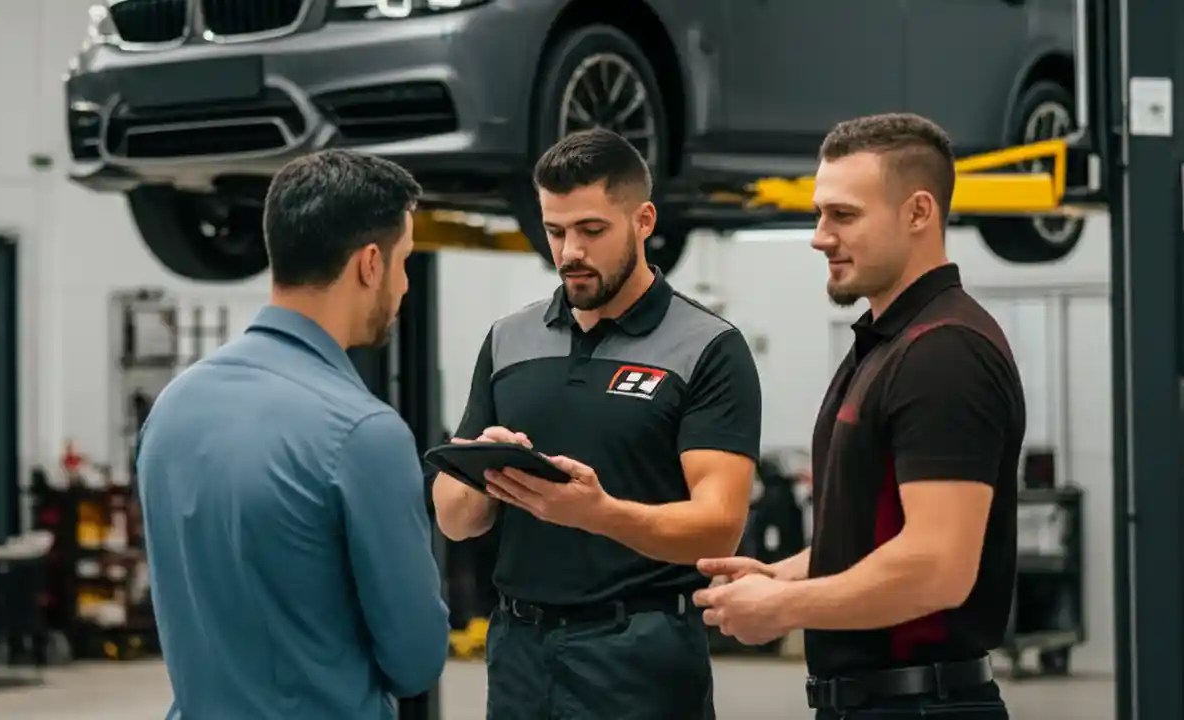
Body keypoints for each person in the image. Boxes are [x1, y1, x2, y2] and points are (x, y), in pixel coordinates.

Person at [693, 113, 1026, 719]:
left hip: (921, 706)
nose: (820, 237)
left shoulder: (945, 353)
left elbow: (938, 567)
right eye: (820, 214)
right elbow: (875, 537)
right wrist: (785, 575)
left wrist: (783, 609)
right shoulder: (885, 345)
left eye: (843, 215)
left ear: (918, 212)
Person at [431, 127, 763, 719]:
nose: (569, 253)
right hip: (519, 656)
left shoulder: (707, 347)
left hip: (640, 657)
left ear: (643, 220)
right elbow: (454, 522)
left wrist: (598, 513)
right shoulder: (509, 339)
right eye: (555, 231)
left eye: (591, 230)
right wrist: (484, 474)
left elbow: (718, 529)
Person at [135, 150, 450, 720]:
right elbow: (415, 658)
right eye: (404, 261)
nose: (405, 285)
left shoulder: (173, 408)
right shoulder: (365, 434)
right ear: (370, 264)